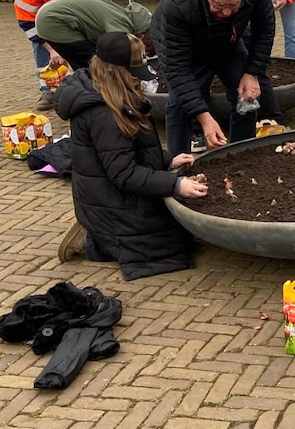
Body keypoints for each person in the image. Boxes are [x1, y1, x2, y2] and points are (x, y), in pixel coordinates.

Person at [54, 32, 207, 280]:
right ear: (117, 72)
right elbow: (124, 174)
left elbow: (130, 153)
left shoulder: (112, 96)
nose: (139, 79)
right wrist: (175, 184)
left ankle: (96, 229)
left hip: (110, 192)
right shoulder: (103, 114)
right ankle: (94, 241)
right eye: (134, 73)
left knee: (178, 228)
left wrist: (168, 160)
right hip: (111, 200)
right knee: (166, 245)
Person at [151, 0, 276, 155]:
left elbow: (265, 29)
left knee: (247, 96)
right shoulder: (177, 5)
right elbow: (177, 69)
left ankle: (242, 156)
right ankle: (179, 164)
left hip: (227, 41)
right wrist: (204, 118)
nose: (226, 12)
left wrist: (253, 72)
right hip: (185, 45)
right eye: (219, 5)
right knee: (179, 105)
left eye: (234, 5)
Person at [15, 0, 115, 111]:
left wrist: (94, 18)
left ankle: (96, 82)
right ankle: (48, 90)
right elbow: (27, 23)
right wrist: (52, 49)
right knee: (40, 35)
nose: (57, 1)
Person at [36, 0, 154, 70]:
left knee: (91, 62)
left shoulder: (125, 16)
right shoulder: (121, 26)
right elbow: (116, 55)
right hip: (54, 22)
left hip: (51, 15)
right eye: (145, 50)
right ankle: (95, 95)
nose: (143, 53)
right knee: (92, 65)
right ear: (141, 36)